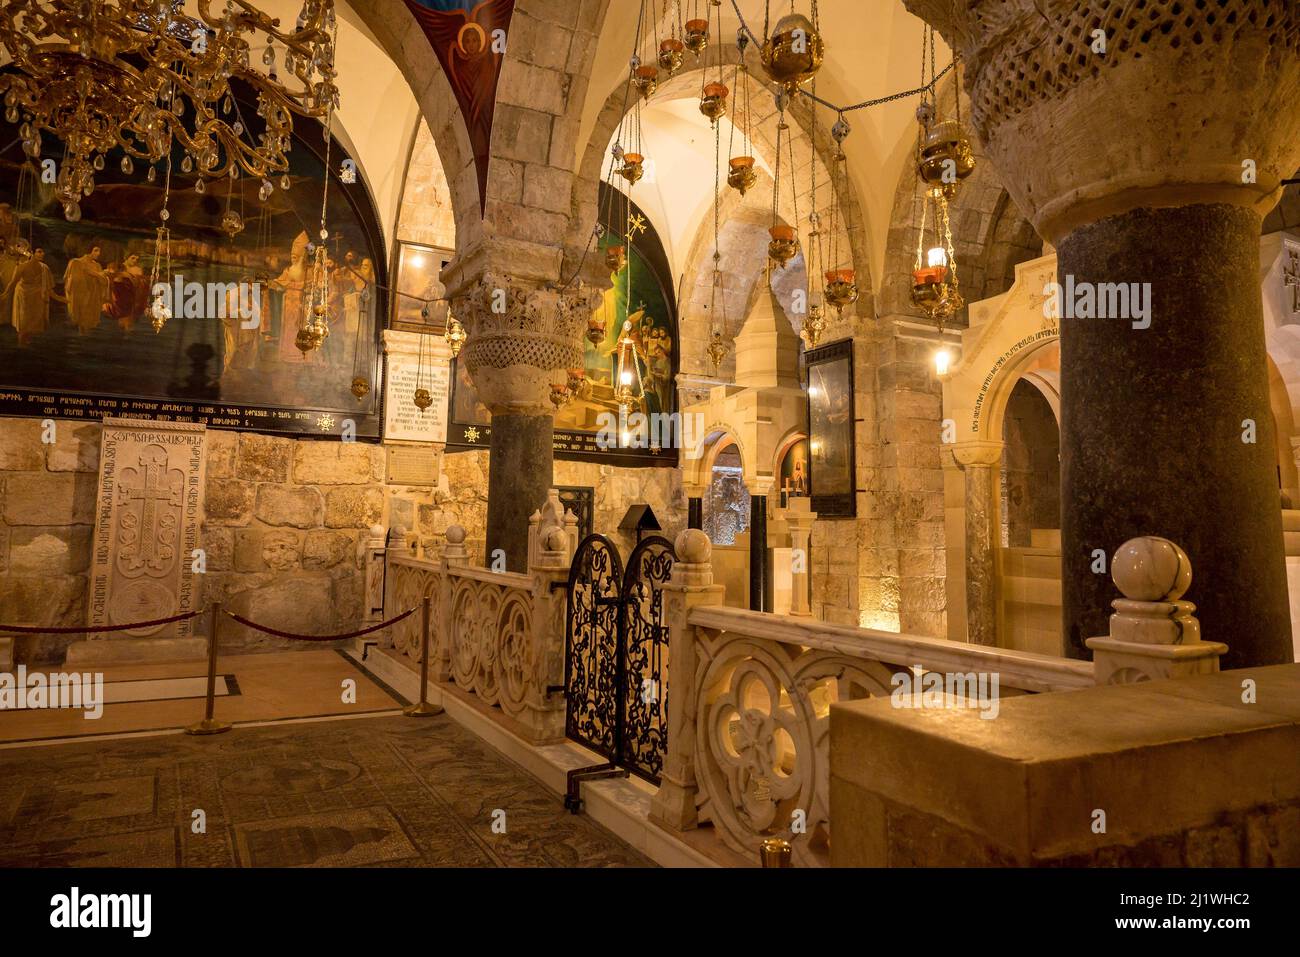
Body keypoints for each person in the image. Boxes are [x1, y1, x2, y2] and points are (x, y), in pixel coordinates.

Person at [6, 247, 55, 346]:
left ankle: (26, 343)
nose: (42, 254)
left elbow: (49, 285)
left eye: (43, 252)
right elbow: (13, 282)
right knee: (23, 320)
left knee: (32, 320)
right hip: (23, 294)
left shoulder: (44, 268)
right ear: (32, 253)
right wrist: (4, 294)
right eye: (39, 251)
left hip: (36, 296)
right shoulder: (22, 266)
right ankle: (21, 344)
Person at [63, 244, 109, 334]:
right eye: (96, 250)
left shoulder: (97, 265)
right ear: (89, 250)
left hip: (93, 296)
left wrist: (100, 275)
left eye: (99, 251)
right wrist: (98, 274)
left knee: (89, 320)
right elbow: (70, 280)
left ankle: (85, 337)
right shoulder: (76, 262)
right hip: (81, 295)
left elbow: (102, 280)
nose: (98, 253)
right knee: (82, 317)